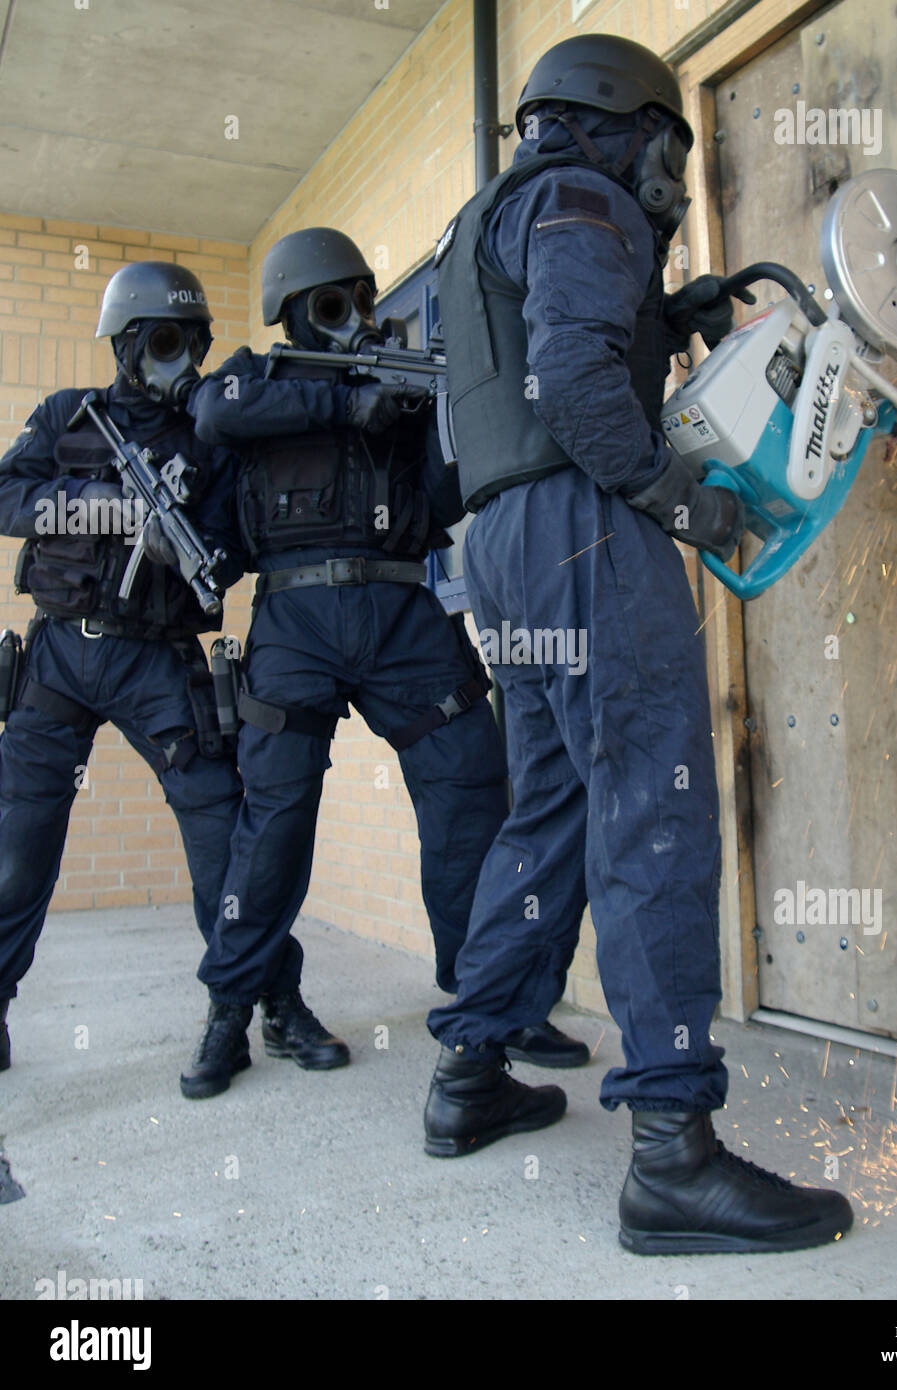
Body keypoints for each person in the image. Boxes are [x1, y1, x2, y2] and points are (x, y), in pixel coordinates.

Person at [424, 34, 854, 1254]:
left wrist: (676, 311)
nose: (669, 170)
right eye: (667, 143)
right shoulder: (579, 193)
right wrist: (683, 499)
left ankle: (467, 1072)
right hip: (583, 527)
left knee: (550, 811)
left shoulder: (489, 217)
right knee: (651, 808)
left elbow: (543, 350)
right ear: (620, 118)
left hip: (503, 543)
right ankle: (673, 1153)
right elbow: (572, 375)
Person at [185, 227, 588, 1101]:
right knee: (274, 820)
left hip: (405, 610)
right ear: (292, 309)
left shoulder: (397, 386)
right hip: (296, 617)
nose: (354, 317)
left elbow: (447, 497)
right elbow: (213, 413)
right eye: (333, 302)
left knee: (472, 795)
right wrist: (345, 407)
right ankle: (232, 1011)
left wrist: (427, 421)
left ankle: (491, 1001)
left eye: (363, 300)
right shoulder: (254, 379)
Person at [0, 263, 245, 1081]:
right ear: (129, 346)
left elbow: (233, 549)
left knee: (221, 827)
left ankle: (252, 1004)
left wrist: (191, 536)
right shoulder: (68, 416)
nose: (185, 360)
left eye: (195, 344)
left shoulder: (208, 437)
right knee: (16, 849)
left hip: (156, 660)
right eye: (168, 342)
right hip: (60, 655)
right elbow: (6, 495)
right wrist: (104, 503)